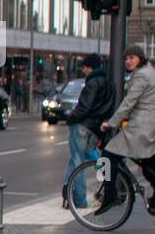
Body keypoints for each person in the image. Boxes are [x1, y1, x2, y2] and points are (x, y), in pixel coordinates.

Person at [97, 45, 155, 217]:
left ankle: (110, 195)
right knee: (149, 166)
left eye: (132, 58)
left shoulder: (142, 76)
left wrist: (111, 123)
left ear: (140, 58)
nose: (128, 61)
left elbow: (128, 103)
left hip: (141, 128)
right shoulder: (148, 72)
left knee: (107, 155)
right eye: (126, 58)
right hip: (147, 126)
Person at [61, 54, 114, 209]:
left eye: (84, 67)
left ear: (89, 67)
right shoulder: (109, 83)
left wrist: (70, 118)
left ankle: (79, 199)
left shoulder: (92, 83)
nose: (83, 70)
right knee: (77, 160)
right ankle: (68, 190)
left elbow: (84, 107)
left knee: (77, 161)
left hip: (83, 126)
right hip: (96, 128)